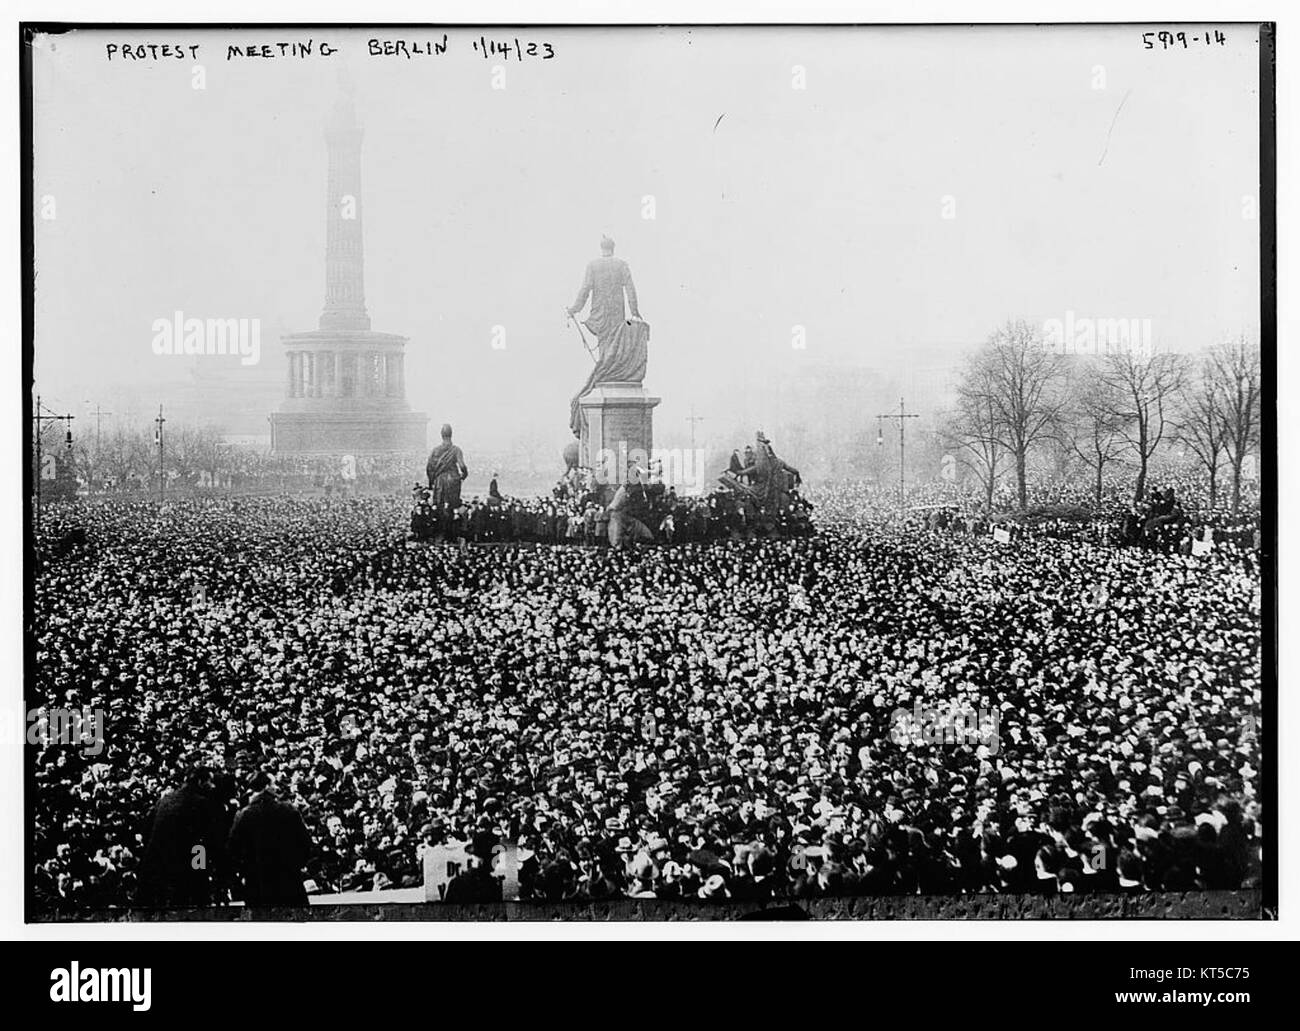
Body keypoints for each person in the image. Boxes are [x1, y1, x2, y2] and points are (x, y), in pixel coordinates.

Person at [226, 772, 313, 907]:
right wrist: (296, 865)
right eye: (273, 784)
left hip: (257, 883)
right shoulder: (288, 810)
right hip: (288, 879)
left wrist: (245, 871)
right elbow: (306, 843)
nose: (276, 787)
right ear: (267, 787)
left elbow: (233, 849)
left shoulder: (243, 815)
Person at [443, 831, 503, 904]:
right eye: (494, 857)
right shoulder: (491, 885)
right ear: (484, 859)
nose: (497, 861)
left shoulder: (457, 883)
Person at [426, 424, 469, 509]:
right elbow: (462, 466)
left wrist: (431, 482)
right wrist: (464, 475)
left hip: (440, 480)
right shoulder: (456, 450)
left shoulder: (435, 450)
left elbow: (429, 468)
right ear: (451, 434)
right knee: (453, 506)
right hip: (453, 480)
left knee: (438, 505)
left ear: (441, 435)